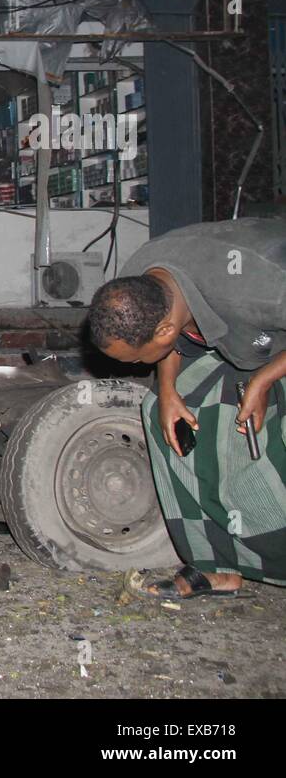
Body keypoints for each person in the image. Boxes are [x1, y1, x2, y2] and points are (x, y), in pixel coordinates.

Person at [88, 218, 286, 599]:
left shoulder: (261, 286)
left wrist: (263, 381)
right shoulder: (139, 281)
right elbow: (174, 339)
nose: (132, 367)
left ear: (161, 331)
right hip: (240, 342)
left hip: (269, 337)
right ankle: (217, 566)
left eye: (134, 361)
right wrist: (167, 391)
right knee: (158, 410)